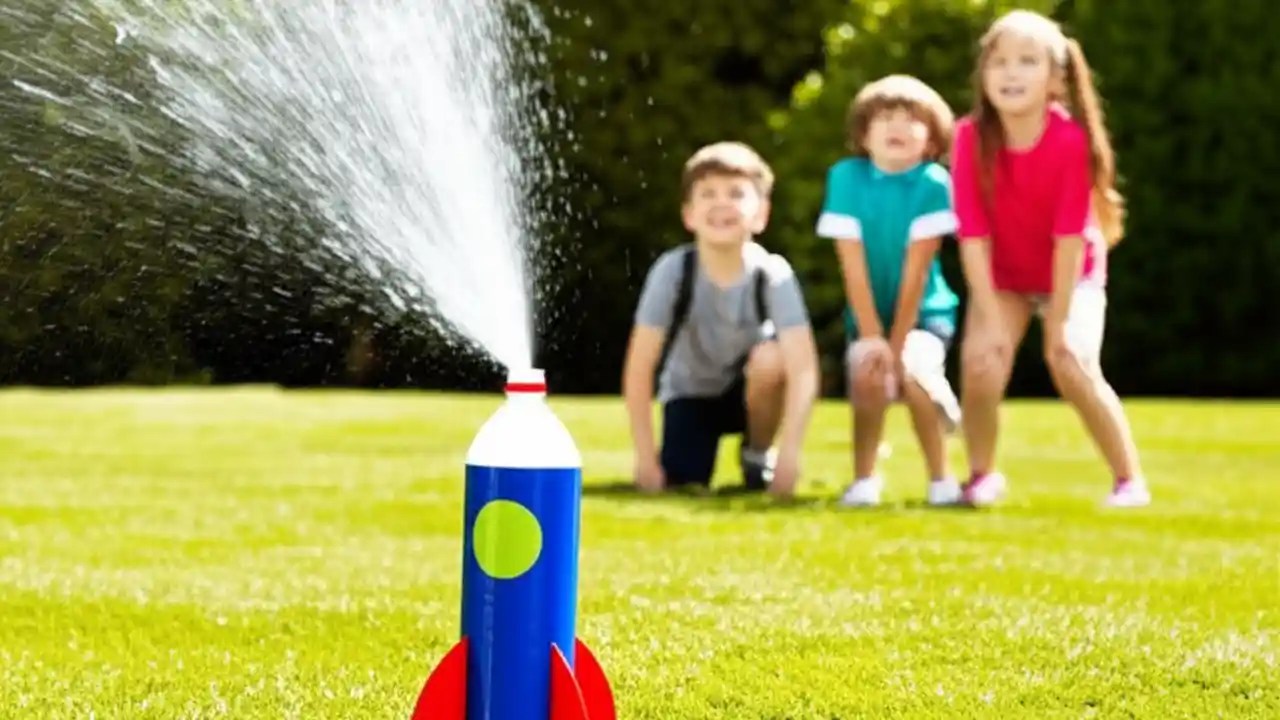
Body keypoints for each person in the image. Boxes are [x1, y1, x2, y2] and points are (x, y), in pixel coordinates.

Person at [950, 9, 1150, 508]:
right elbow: (971, 232)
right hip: (1005, 275)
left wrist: (1058, 321)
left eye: (1026, 61)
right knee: (981, 361)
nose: (1011, 73)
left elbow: (1069, 237)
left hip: (1070, 273)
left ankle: (1128, 480)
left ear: (1056, 78)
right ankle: (981, 475)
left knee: (1070, 359)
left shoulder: (1069, 142)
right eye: (999, 62)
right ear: (983, 74)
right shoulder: (968, 138)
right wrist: (992, 317)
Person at [622, 141, 819, 498]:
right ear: (689, 214)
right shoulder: (673, 271)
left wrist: (790, 455)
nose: (721, 203)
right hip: (689, 393)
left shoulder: (772, 274)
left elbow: (803, 367)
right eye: (707, 193)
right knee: (685, 482)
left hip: (752, 394)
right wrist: (644, 458)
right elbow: (639, 367)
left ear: (762, 214)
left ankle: (757, 456)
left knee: (772, 359)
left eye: (736, 193)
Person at [815, 74, 964, 507]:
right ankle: (864, 480)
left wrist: (896, 348)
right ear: (863, 133)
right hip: (866, 315)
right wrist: (873, 338)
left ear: (932, 139)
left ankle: (941, 481)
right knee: (867, 372)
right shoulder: (845, 178)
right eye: (884, 117)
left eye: (911, 119)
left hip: (925, 315)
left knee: (914, 370)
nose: (897, 127)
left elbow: (917, 274)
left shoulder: (934, 184)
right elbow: (852, 267)